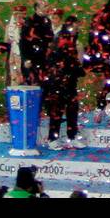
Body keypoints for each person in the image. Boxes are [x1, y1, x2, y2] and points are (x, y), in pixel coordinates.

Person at [43, 15, 86, 149]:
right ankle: (52, 139)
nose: (78, 28)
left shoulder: (72, 39)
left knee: (72, 108)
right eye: (76, 25)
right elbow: (65, 60)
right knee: (57, 109)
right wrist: (79, 69)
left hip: (69, 80)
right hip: (58, 81)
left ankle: (72, 136)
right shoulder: (62, 40)